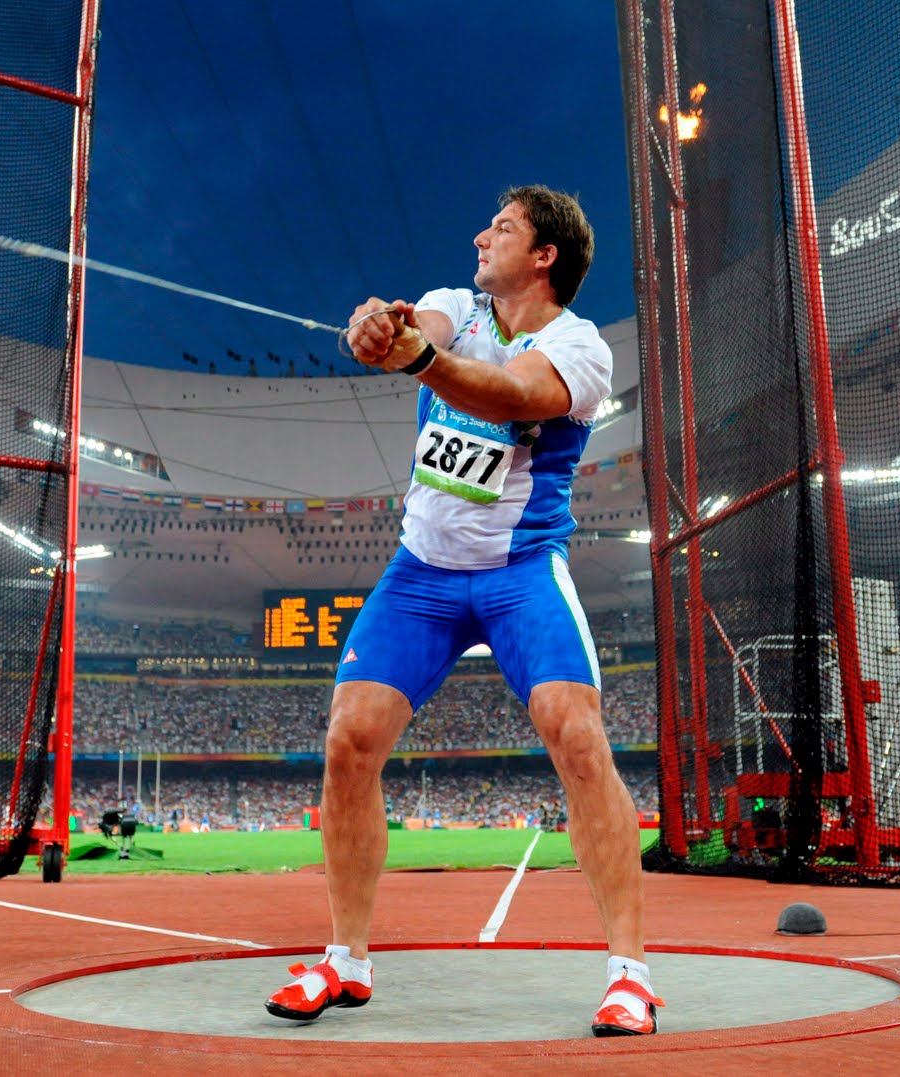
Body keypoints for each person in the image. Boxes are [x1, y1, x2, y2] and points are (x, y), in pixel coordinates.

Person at [264, 185, 661, 1036]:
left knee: (577, 734)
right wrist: (380, 331)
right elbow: (424, 333)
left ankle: (629, 973)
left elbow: (507, 395)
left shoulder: (579, 347)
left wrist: (415, 361)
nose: (481, 234)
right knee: (348, 740)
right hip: (422, 574)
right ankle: (346, 961)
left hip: (520, 571)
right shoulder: (455, 304)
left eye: (504, 227)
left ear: (545, 255)